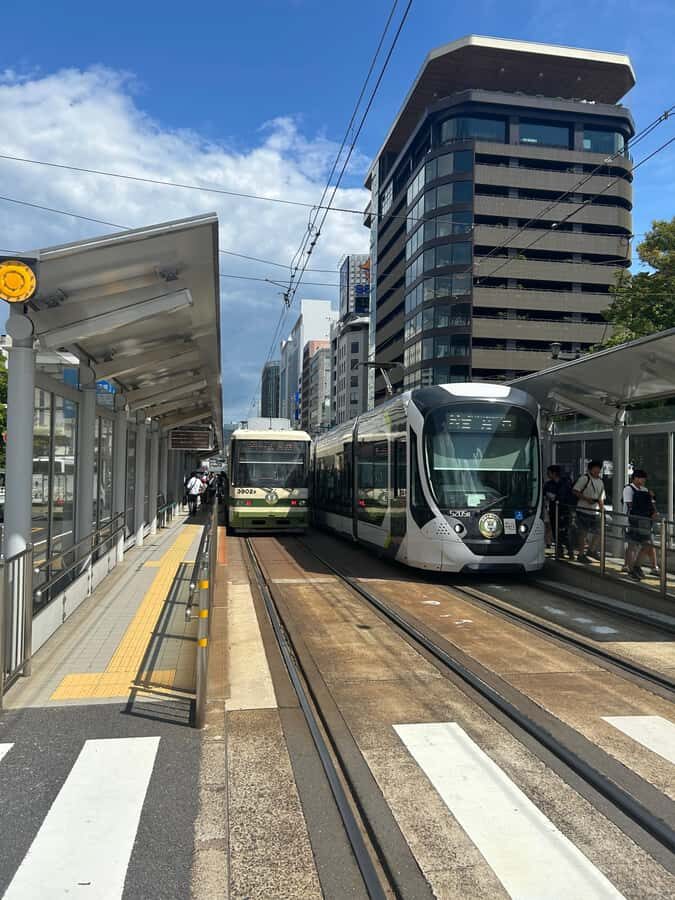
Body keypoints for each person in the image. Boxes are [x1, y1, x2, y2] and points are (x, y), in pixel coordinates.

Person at [623, 469, 658, 581]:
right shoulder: (628, 489)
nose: (643, 480)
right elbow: (629, 505)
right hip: (632, 521)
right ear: (635, 478)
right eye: (641, 478)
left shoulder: (645, 490)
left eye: (644, 478)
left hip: (644, 522)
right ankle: (631, 569)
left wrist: (652, 509)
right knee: (632, 545)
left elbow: (650, 505)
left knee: (647, 544)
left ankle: (636, 567)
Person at [573, 460, 606, 563]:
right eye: (595, 468)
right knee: (583, 533)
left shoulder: (600, 481)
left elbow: (601, 497)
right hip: (583, 510)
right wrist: (586, 499)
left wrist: (602, 510)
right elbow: (575, 491)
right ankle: (581, 554)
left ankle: (591, 550)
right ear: (590, 469)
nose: (597, 471)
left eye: (598, 469)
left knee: (599, 531)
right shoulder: (585, 478)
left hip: (595, 511)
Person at [543, 465, 574, 559]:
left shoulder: (565, 482)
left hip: (564, 511)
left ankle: (570, 551)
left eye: (549, 473)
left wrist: (555, 497)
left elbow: (565, 496)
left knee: (565, 531)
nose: (547, 475)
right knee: (555, 531)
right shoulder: (548, 484)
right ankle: (559, 551)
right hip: (553, 511)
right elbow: (544, 494)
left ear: (554, 473)